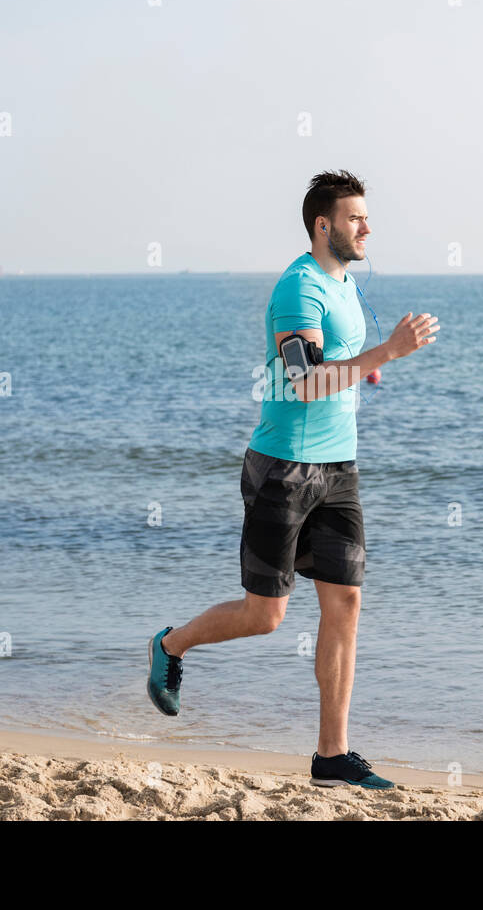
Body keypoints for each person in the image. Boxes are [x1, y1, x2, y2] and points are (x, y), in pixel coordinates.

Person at [147, 169, 439, 788]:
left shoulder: (344, 286)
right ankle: (171, 646)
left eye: (367, 216)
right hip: (283, 468)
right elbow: (305, 381)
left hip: (339, 468)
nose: (368, 227)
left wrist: (368, 369)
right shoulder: (297, 289)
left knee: (346, 602)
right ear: (323, 224)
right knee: (266, 615)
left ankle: (332, 756)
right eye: (356, 217)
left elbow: (336, 361)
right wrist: (385, 354)